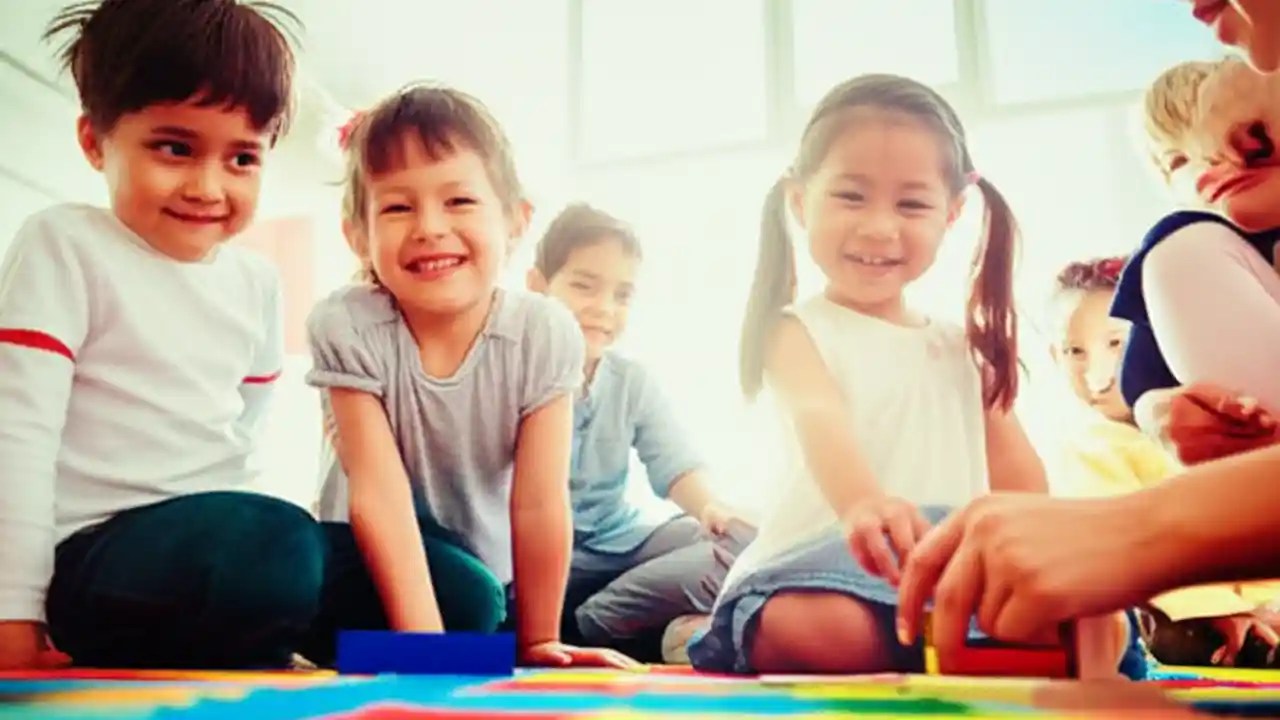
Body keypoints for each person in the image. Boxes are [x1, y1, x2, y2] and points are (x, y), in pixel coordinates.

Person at [684, 72, 1132, 676]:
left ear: (950, 215)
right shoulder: (794, 329)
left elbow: (1021, 482)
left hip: (954, 575)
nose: (878, 227)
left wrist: (1060, 558)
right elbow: (819, 418)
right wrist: (864, 504)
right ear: (799, 199)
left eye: (911, 204)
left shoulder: (962, 347)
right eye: (850, 196)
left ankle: (967, 656)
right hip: (827, 571)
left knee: (1104, 618)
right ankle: (959, 658)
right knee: (820, 633)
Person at [895, 4, 1280, 655]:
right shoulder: (1192, 260)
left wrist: (1134, 535)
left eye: (1255, 140)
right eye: (1177, 164)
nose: (1199, 8)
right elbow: (1153, 394)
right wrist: (1159, 411)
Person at [0, 0, 322, 670]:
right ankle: (271, 640)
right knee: (270, 549)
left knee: (459, 592)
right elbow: (17, 437)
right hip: (94, 555)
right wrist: (14, 615)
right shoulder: (64, 244)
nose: (208, 186)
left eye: (242, 158)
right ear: (94, 142)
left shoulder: (258, 281)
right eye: (175, 148)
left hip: (215, 536)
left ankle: (304, 640)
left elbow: (248, 424)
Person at [304, 84, 632, 668]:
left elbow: (539, 501)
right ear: (358, 235)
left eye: (458, 202)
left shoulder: (542, 332)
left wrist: (539, 641)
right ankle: (342, 647)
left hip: (478, 574)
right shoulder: (347, 324)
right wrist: (427, 650)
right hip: (364, 557)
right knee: (458, 603)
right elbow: (379, 498)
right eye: (398, 207)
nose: (430, 227)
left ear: (515, 221)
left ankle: (368, 652)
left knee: (474, 601)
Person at [526, 202, 754, 662]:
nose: (603, 309)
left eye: (622, 295)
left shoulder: (630, 380)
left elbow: (676, 465)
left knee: (744, 539)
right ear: (538, 287)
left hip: (619, 547)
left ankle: (592, 627)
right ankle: (589, 630)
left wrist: (712, 506)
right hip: (543, 561)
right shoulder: (517, 372)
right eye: (584, 286)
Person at [1045, 257, 1280, 667]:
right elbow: (1126, 550)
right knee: (1179, 631)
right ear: (1054, 356)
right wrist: (1216, 610)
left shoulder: (1202, 421)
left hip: (1261, 599)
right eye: (1074, 352)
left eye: (1115, 343)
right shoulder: (1089, 447)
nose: (1096, 373)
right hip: (1179, 611)